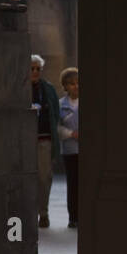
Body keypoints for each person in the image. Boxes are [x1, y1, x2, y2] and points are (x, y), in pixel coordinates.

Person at [30, 54, 60, 229]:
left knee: (44, 177)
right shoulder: (19, 88)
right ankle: (27, 212)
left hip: (44, 138)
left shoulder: (48, 89)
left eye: (38, 69)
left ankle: (43, 213)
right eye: (32, 69)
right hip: (24, 140)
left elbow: (55, 113)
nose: (35, 72)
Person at [59, 66, 79, 229]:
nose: (76, 86)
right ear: (65, 86)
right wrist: (71, 134)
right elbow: (57, 127)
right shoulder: (60, 105)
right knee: (72, 184)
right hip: (70, 150)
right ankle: (73, 217)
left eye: (78, 83)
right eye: (72, 83)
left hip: (87, 151)